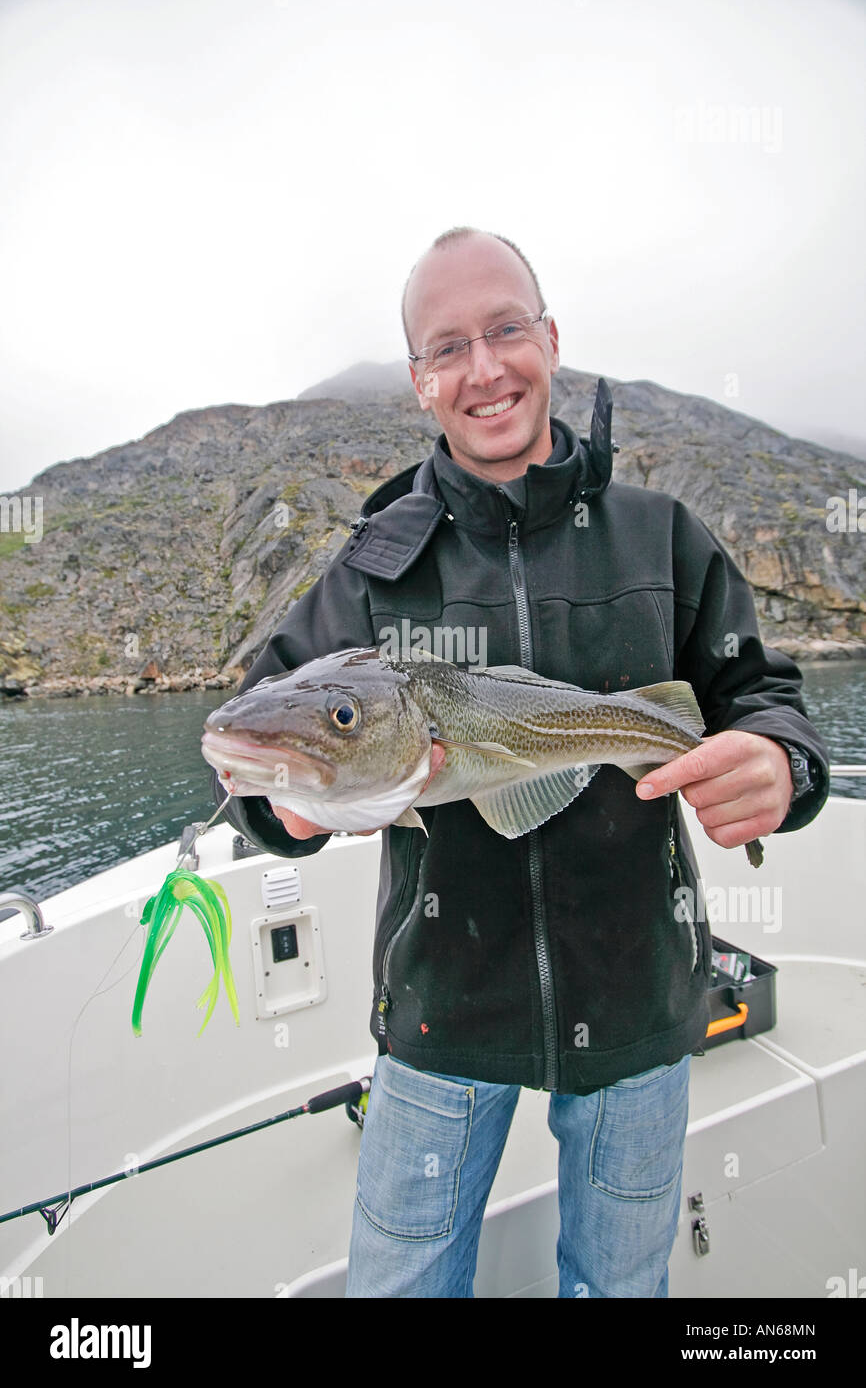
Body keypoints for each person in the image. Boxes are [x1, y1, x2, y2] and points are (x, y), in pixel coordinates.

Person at [211, 227, 829, 1298]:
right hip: (441, 1010)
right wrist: (294, 813)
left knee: (617, 1288)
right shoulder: (371, 566)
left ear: (549, 337)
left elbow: (762, 694)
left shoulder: (659, 536)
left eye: (504, 330)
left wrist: (779, 762)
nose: (483, 368)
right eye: (446, 347)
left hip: (637, 993)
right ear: (416, 382)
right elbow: (256, 736)